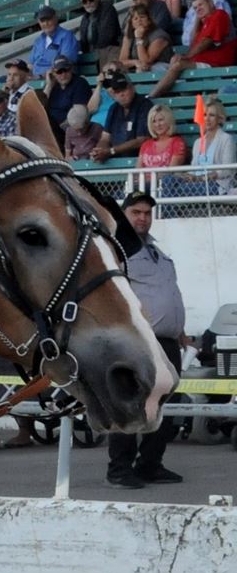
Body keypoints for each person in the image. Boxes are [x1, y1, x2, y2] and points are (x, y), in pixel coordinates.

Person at [103, 193, 186, 488]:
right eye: (136, 212)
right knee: (130, 403)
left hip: (168, 343)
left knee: (165, 406)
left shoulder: (158, 253)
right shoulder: (119, 252)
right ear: (124, 215)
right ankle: (120, 470)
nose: (143, 218)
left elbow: (167, 294)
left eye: (147, 213)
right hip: (138, 341)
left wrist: (180, 332)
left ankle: (150, 464)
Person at [150, 0, 237, 98]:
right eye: (195, 8)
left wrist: (187, 56)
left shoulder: (219, 15)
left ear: (210, 3)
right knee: (161, 66)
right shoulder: (205, 23)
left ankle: (151, 96)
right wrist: (198, 18)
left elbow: (205, 42)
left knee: (178, 65)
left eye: (201, 5)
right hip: (200, 64)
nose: (198, 9)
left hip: (215, 65)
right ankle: (176, 96)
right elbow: (192, 41)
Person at [190, 97, 234, 195]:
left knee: (177, 189)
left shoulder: (226, 139)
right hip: (196, 184)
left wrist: (210, 175)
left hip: (216, 185)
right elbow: (193, 170)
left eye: (212, 115)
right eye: (205, 115)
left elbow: (228, 170)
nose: (207, 119)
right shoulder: (197, 142)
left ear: (220, 119)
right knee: (169, 181)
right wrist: (187, 176)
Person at [41, 58, 93, 140]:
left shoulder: (79, 83)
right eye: (59, 72)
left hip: (69, 128)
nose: (63, 75)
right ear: (53, 73)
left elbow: (79, 114)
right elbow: (41, 106)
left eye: (66, 70)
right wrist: (49, 85)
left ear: (71, 70)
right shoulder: (52, 85)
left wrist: (56, 129)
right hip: (49, 127)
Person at [73, 0, 122, 67]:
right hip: (92, 53)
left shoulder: (107, 9)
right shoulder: (85, 18)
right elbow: (84, 41)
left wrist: (94, 53)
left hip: (109, 50)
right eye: (84, 1)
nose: (88, 3)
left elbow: (107, 36)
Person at [28, 7, 80, 72]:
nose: (46, 23)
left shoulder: (66, 36)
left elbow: (64, 63)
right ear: (39, 22)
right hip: (36, 78)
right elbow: (30, 64)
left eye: (48, 19)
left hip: (57, 76)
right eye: (42, 21)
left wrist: (43, 74)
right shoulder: (39, 40)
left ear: (55, 18)